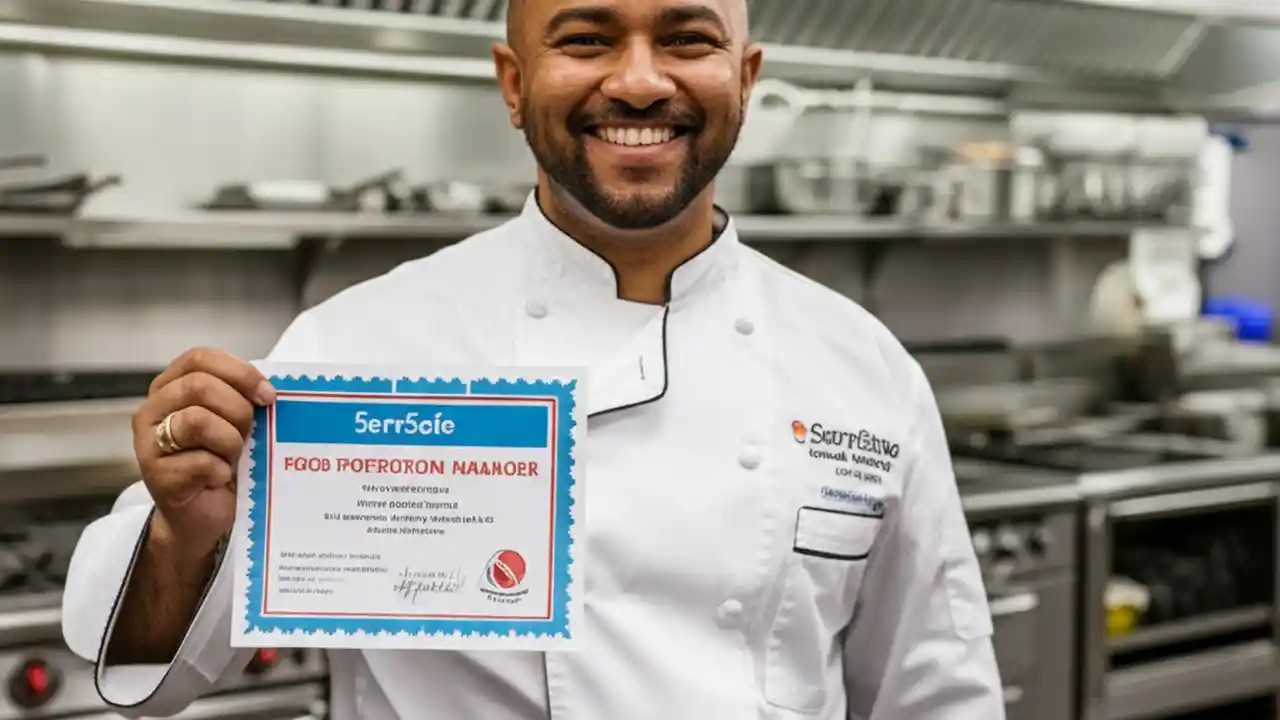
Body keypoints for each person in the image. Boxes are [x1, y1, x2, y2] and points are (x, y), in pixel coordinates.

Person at [60, 0, 1005, 718]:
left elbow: (939, 690)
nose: (640, 83)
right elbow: (161, 676)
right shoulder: (357, 344)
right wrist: (186, 537)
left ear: (746, 76)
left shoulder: (863, 366)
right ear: (513, 83)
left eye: (686, 38)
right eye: (586, 39)